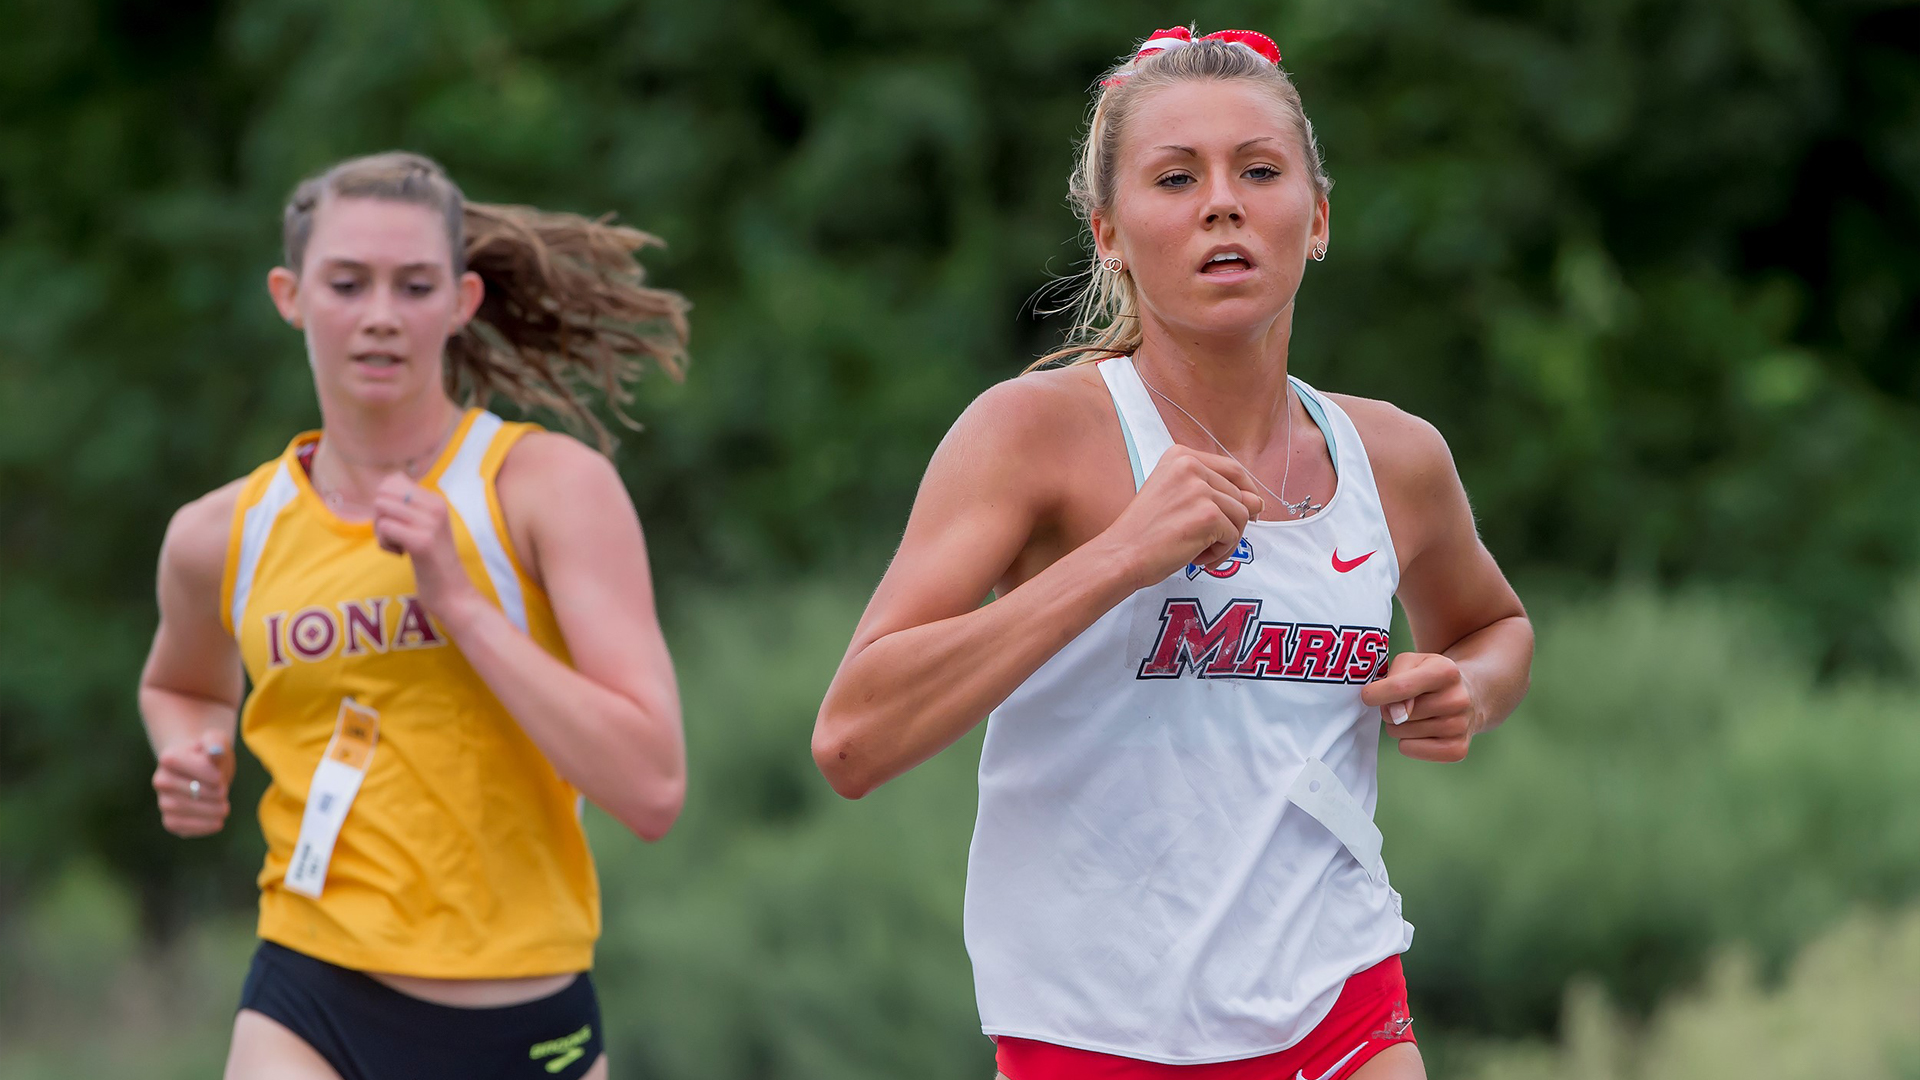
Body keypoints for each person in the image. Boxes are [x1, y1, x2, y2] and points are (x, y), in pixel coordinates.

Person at [812, 28, 1533, 1080]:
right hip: (1095, 1037)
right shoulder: (1030, 435)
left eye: (1258, 170)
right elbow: (853, 740)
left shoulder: (1397, 455)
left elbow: (1495, 629)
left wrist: (1464, 685)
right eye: (1175, 177)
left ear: (1318, 216)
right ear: (1109, 233)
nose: (1222, 204)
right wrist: (1119, 556)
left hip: (1345, 1008)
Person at [138, 151, 690, 1080]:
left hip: (523, 1017)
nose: (381, 315)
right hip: (310, 993)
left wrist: (462, 607)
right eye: (347, 284)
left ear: (463, 301)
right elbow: (179, 683)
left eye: (415, 284)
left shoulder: (543, 490)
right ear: (289, 294)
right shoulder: (219, 534)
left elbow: (651, 787)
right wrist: (190, 753)